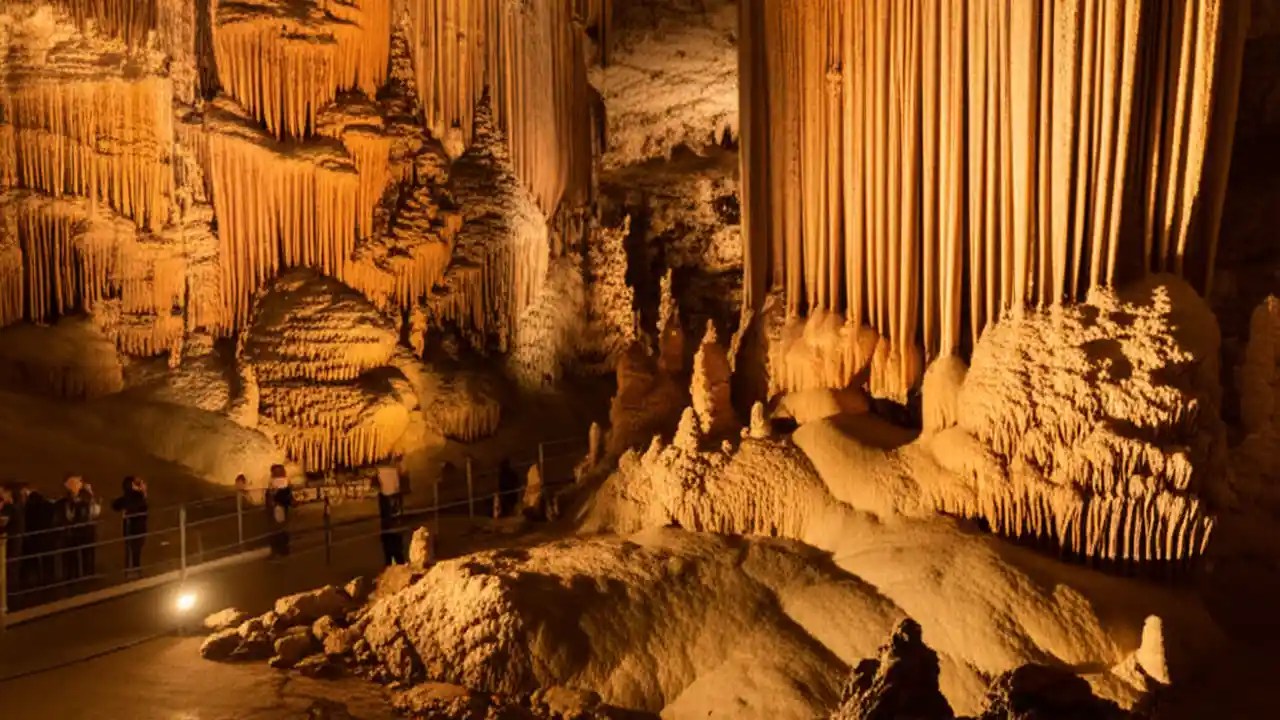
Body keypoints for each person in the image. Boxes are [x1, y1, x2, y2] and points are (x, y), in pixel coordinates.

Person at [55, 474, 101, 583]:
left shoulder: (85, 501)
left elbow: (93, 513)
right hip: (71, 535)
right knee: (71, 558)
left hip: (84, 533)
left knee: (87, 556)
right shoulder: (65, 502)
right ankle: (72, 578)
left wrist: (91, 496)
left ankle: (87, 577)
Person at [18, 483, 56, 588]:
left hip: (34, 538)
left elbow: (27, 522)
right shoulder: (48, 505)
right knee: (47, 561)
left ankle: (33, 582)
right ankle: (48, 581)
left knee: (33, 562)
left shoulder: (29, 508)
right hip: (47, 537)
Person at [111, 476, 149, 576]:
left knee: (131, 550)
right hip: (136, 527)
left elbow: (115, 505)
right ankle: (135, 570)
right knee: (135, 550)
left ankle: (129, 571)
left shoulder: (131, 497)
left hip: (132, 527)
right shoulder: (137, 496)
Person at [374, 470, 405, 566]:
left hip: (388, 496)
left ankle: (392, 559)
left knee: (390, 534)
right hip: (391, 496)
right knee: (392, 533)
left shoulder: (383, 470)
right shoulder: (392, 470)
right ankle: (394, 559)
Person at [265, 465, 293, 558]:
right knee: (277, 529)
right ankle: (280, 549)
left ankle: (281, 549)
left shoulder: (283, 486)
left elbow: (287, 497)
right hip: (277, 509)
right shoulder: (274, 486)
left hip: (280, 508)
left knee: (280, 529)